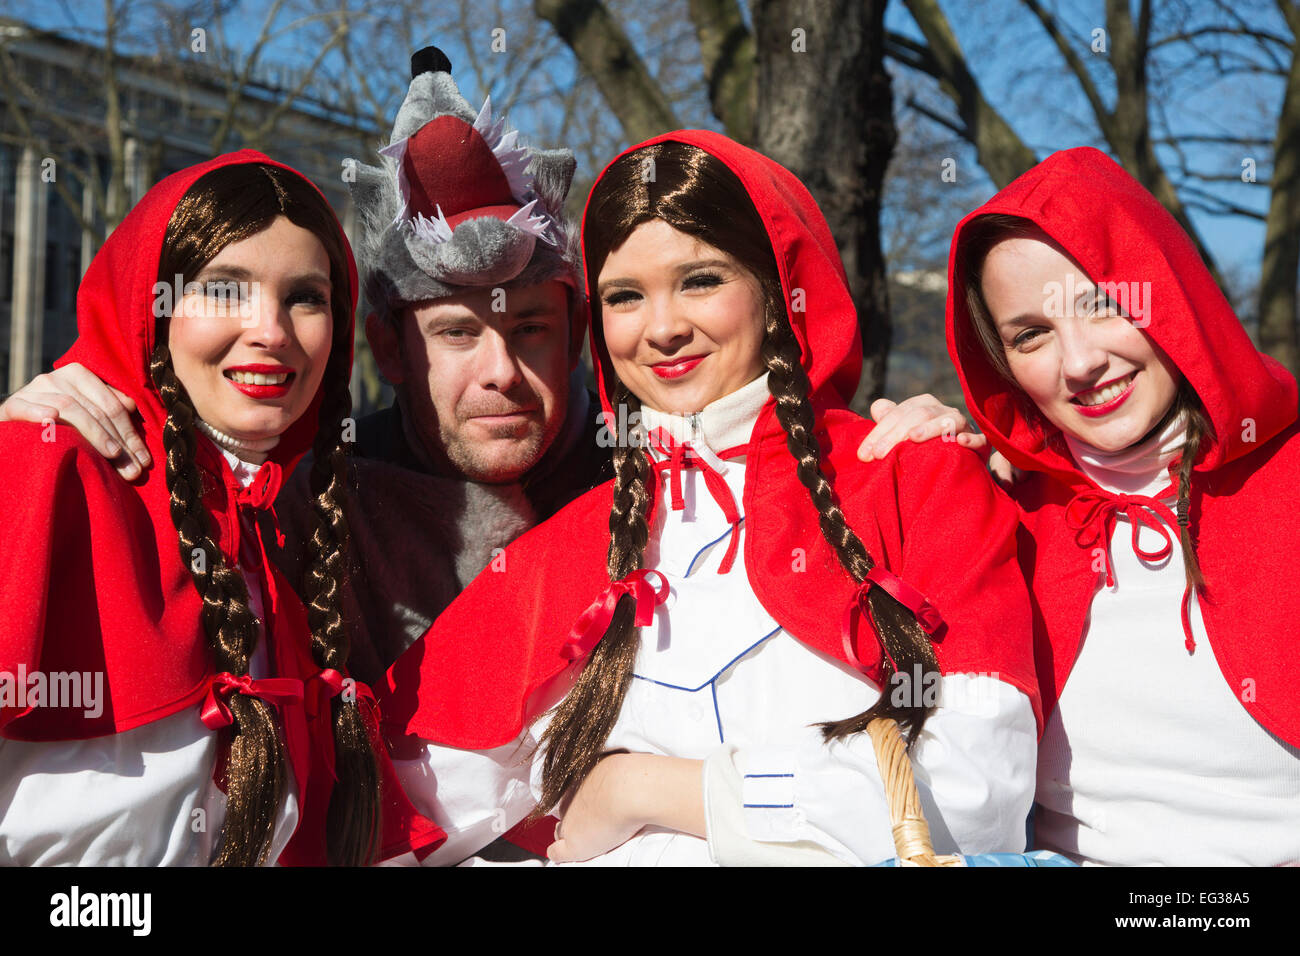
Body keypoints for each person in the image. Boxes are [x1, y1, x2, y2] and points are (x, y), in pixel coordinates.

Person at [379, 130, 1042, 866]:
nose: (662, 329)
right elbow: (386, 818)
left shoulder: (912, 479)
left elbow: (976, 795)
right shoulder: (563, 550)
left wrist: (645, 790)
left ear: (776, 288)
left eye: (700, 280)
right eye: (626, 296)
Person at [0, 48, 607, 691]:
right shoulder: (307, 508)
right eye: (457, 332)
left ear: (575, 338)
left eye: (532, 329)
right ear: (389, 348)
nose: (502, 373)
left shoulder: (658, 488)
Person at [0, 151, 443, 865]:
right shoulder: (44, 467)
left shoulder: (278, 542)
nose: (271, 330)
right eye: (225, 291)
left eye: (306, 297)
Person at [864, 146, 1300, 865]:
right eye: (1031, 334)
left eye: (1102, 304)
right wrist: (919, 477)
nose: (1079, 363)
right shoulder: (1002, 514)